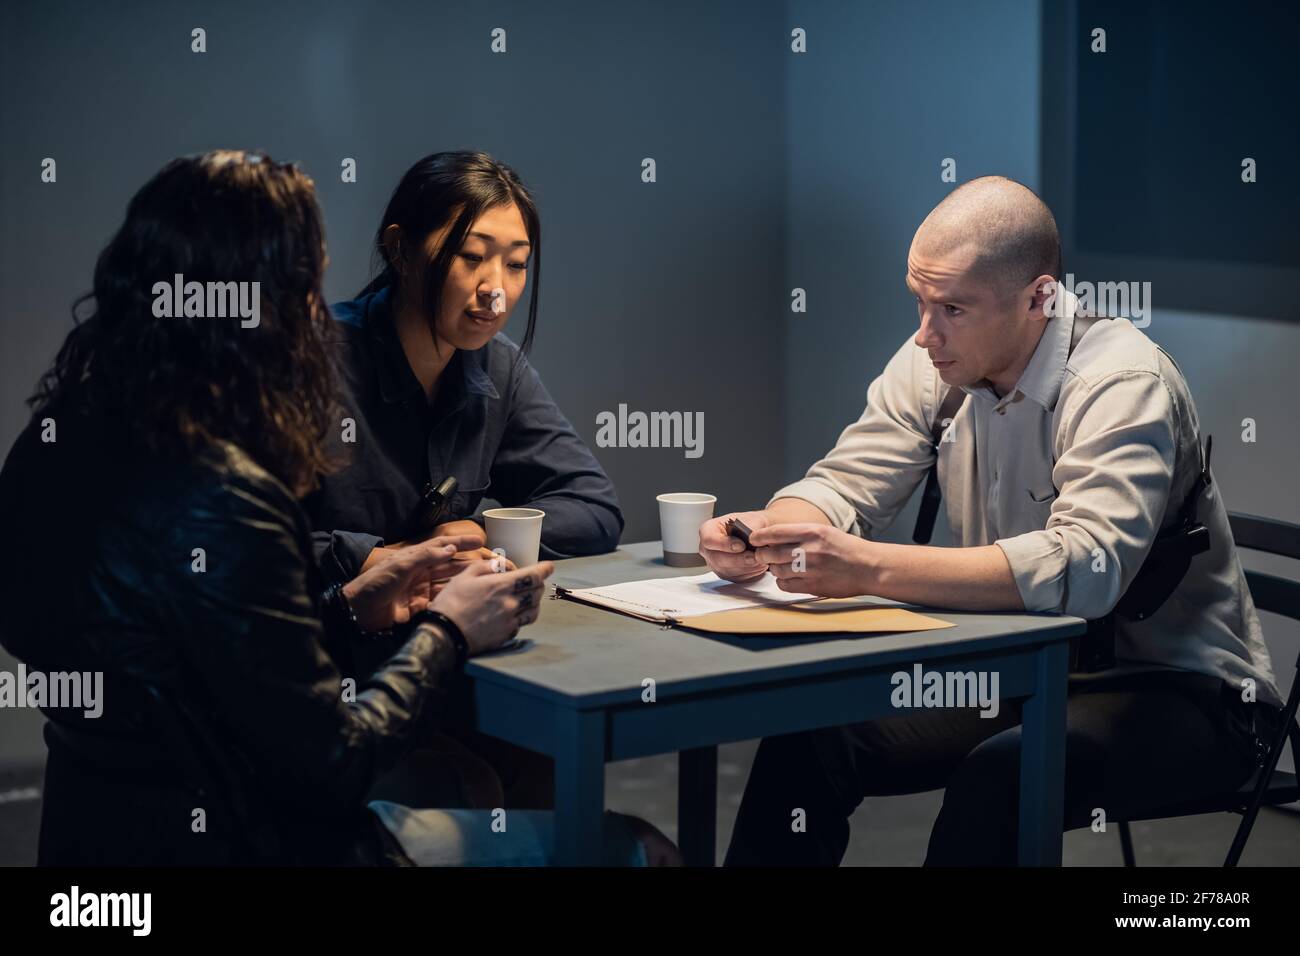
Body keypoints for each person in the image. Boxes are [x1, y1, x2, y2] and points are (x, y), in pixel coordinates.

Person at [0, 150, 675, 866]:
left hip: (107, 819)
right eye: (304, 288)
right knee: (638, 849)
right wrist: (446, 629)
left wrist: (352, 602)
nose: (317, 314)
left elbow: (203, 641)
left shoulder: (60, 438)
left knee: (505, 768)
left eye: (516, 263)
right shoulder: (225, 487)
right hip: (253, 835)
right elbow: (330, 764)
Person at [702, 176, 1284, 866]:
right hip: (1025, 673)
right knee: (811, 734)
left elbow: (1086, 569)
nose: (925, 333)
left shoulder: (1122, 384)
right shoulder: (939, 359)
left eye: (951, 307)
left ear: (1039, 297)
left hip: (1182, 696)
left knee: (1001, 776)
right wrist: (772, 531)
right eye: (919, 301)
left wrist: (867, 566)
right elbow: (844, 482)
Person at [305, 151, 622, 809]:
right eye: (471, 257)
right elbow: (243, 549)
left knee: (548, 770)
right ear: (400, 249)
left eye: (515, 263)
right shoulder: (313, 361)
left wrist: (476, 528)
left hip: (446, 665)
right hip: (321, 683)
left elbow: (594, 506)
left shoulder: (495, 367)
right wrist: (372, 558)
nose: (496, 289)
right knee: (474, 785)